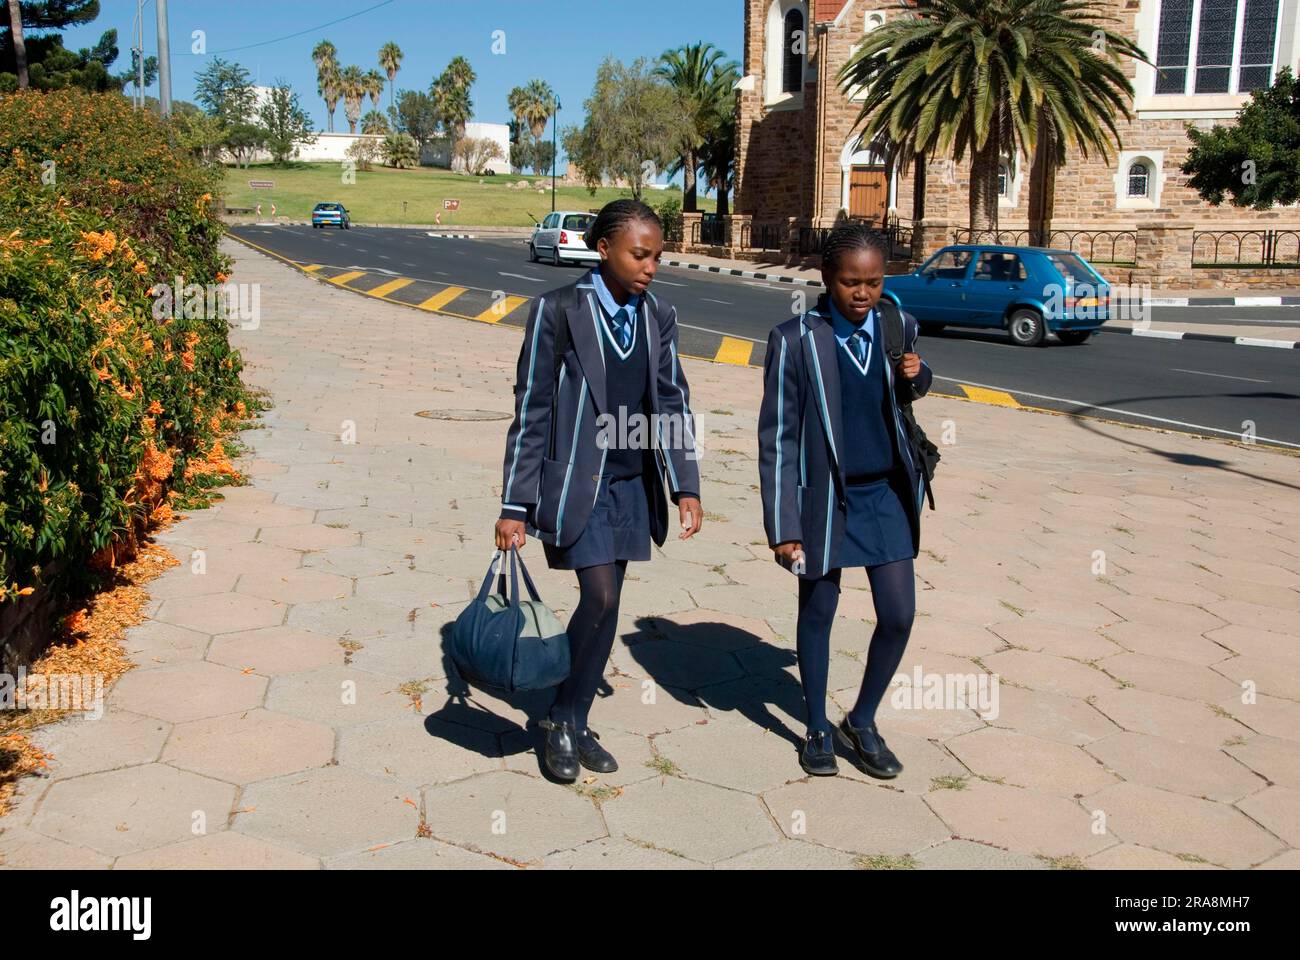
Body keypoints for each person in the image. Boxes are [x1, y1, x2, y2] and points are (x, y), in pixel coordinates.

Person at [495, 199, 703, 783]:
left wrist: (685, 483)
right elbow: (532, 408)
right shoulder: (557, 310)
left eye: (658, 256)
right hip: (576, 483)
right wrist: (515, 503)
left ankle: (573, 716)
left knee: (609, 607)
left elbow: (672, 401)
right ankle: (560, 717)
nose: (651, 267)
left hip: (632, 485)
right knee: (602, 597)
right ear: (603, 247)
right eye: (640, 254)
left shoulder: (658, 314)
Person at [757, 222, 933, 778]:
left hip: (884, 494)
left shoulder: (896, 324)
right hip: (824, 500)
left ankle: (862, 719)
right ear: (827, 279)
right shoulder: (795, 340)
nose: (863, 294)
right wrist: (784, 524)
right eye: (851, 283)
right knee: (820, 612)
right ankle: (814, 726)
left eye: (874, 282)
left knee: (899, 614)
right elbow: (778, 438)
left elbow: (909, 393)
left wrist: (919, 373)